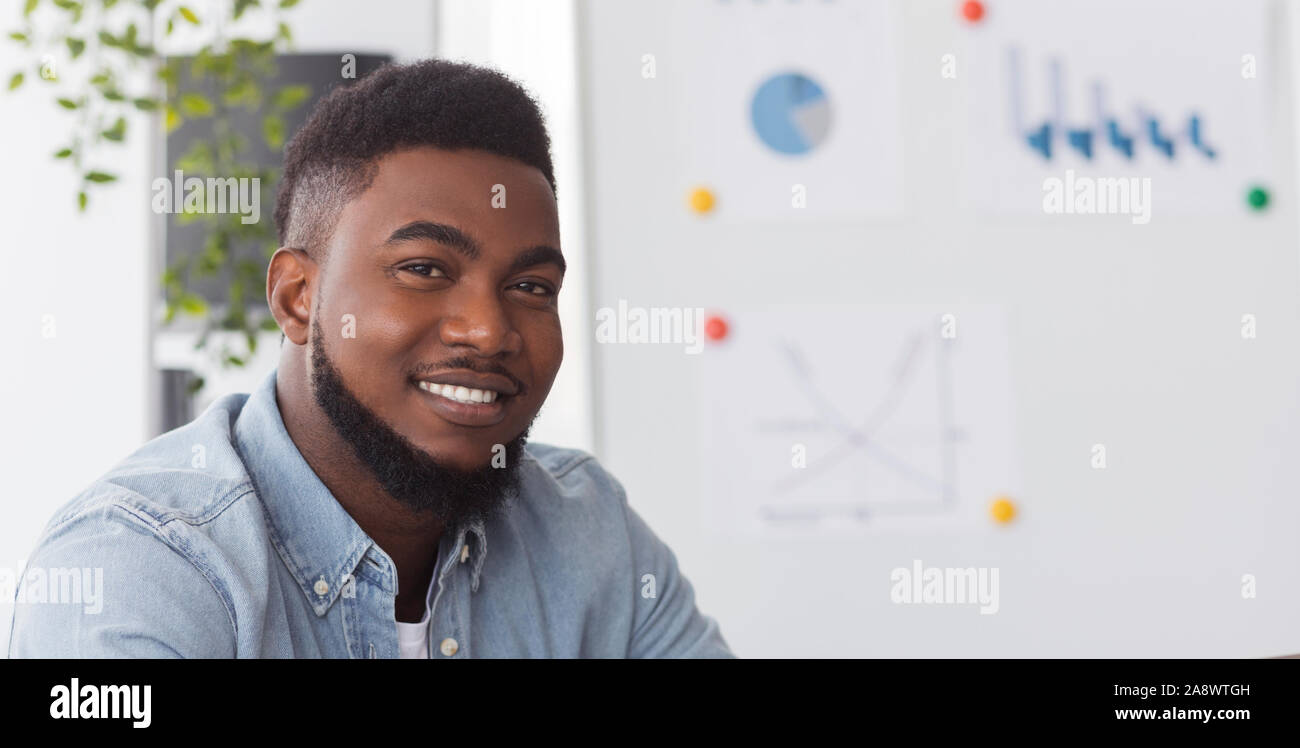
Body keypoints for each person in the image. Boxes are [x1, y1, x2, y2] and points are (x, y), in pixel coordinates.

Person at [8, 59, 733, 659]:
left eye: (530, 286)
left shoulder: (587, 530)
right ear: (298, 297)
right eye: (424, 268)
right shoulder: (137, 567)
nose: (488, 331)